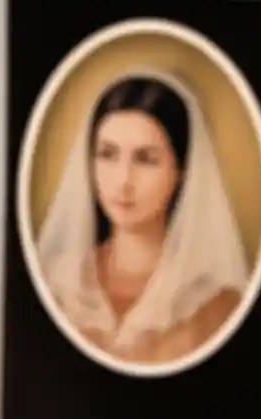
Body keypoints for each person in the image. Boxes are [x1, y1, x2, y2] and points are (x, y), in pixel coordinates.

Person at [35, 70, 249, 366]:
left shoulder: (214, 305)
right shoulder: (55, 285)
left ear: (182, 170)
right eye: (108, 155)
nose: (123, 180)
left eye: (146, 159)